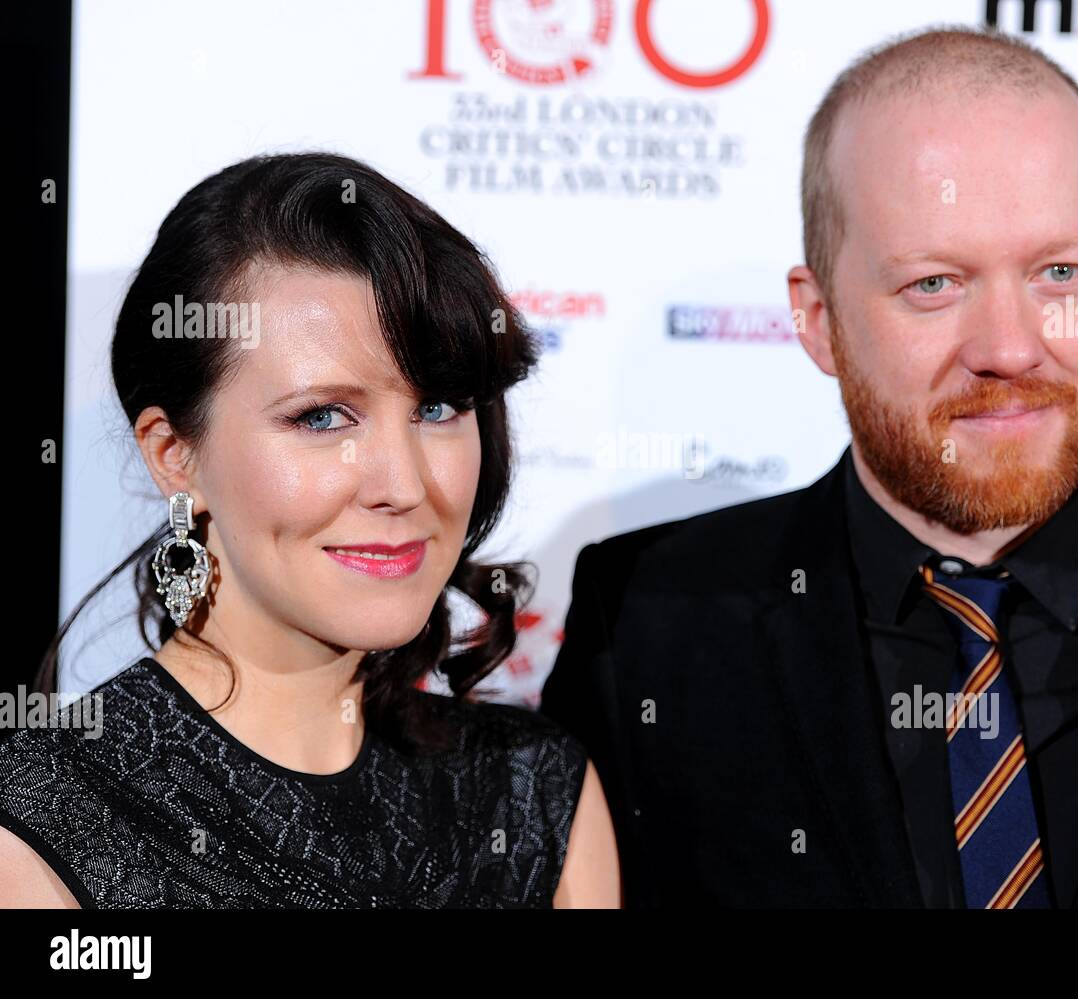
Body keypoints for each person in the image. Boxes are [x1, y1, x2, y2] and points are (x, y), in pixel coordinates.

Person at [540, 26, 1078, 907]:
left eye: (1060, 272)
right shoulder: (645, 623)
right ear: (819, 318)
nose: (1012, 350)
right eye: (934, 284)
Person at [0, 152, 620, 909]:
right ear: (175, 455)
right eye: (321, 416)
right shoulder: (40, 827)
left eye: (437, 408)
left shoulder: (535, 791)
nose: (403, 485)